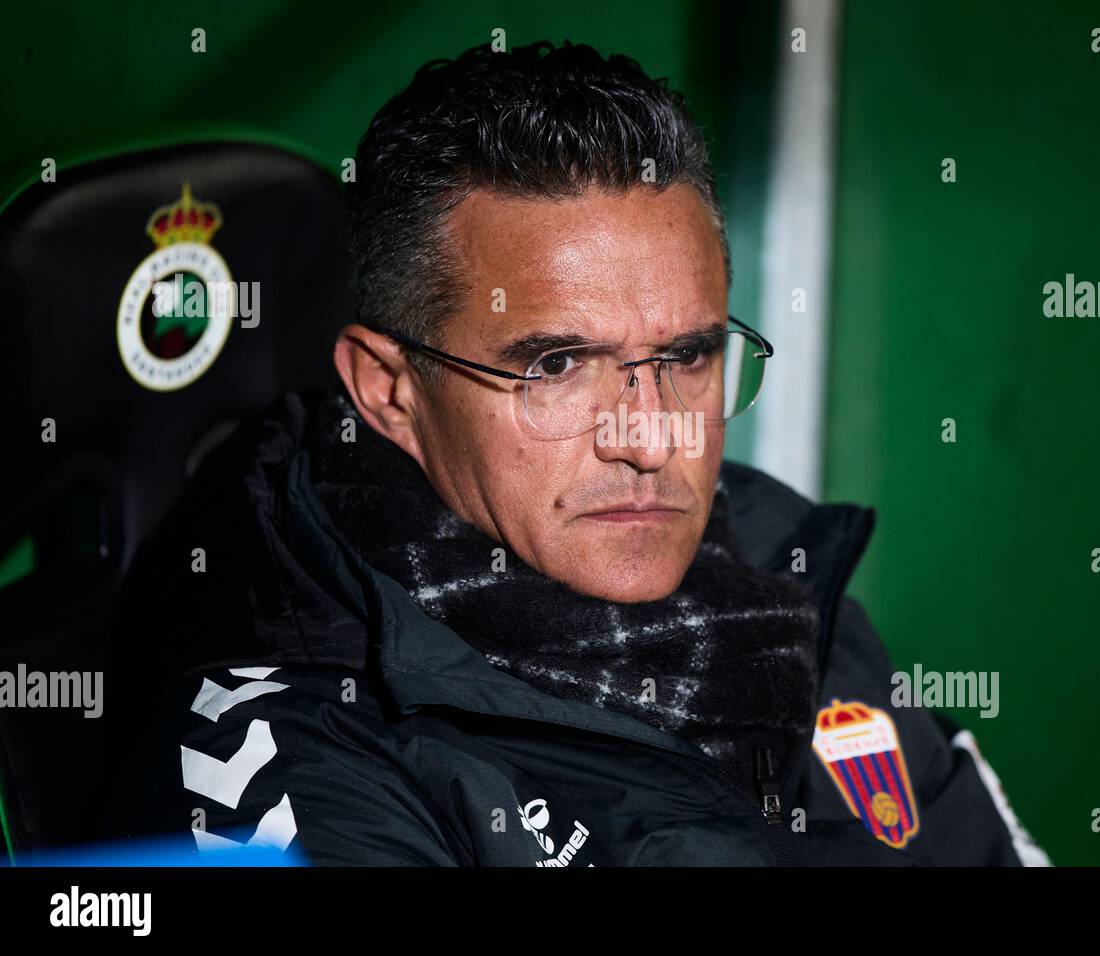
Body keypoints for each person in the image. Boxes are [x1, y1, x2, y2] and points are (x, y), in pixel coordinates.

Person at [109, 39, 1048, 866]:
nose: (650, 440)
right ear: (390, 391)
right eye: (556, 364)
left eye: (686, 355)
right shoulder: (306, 752)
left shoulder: (774, 564)